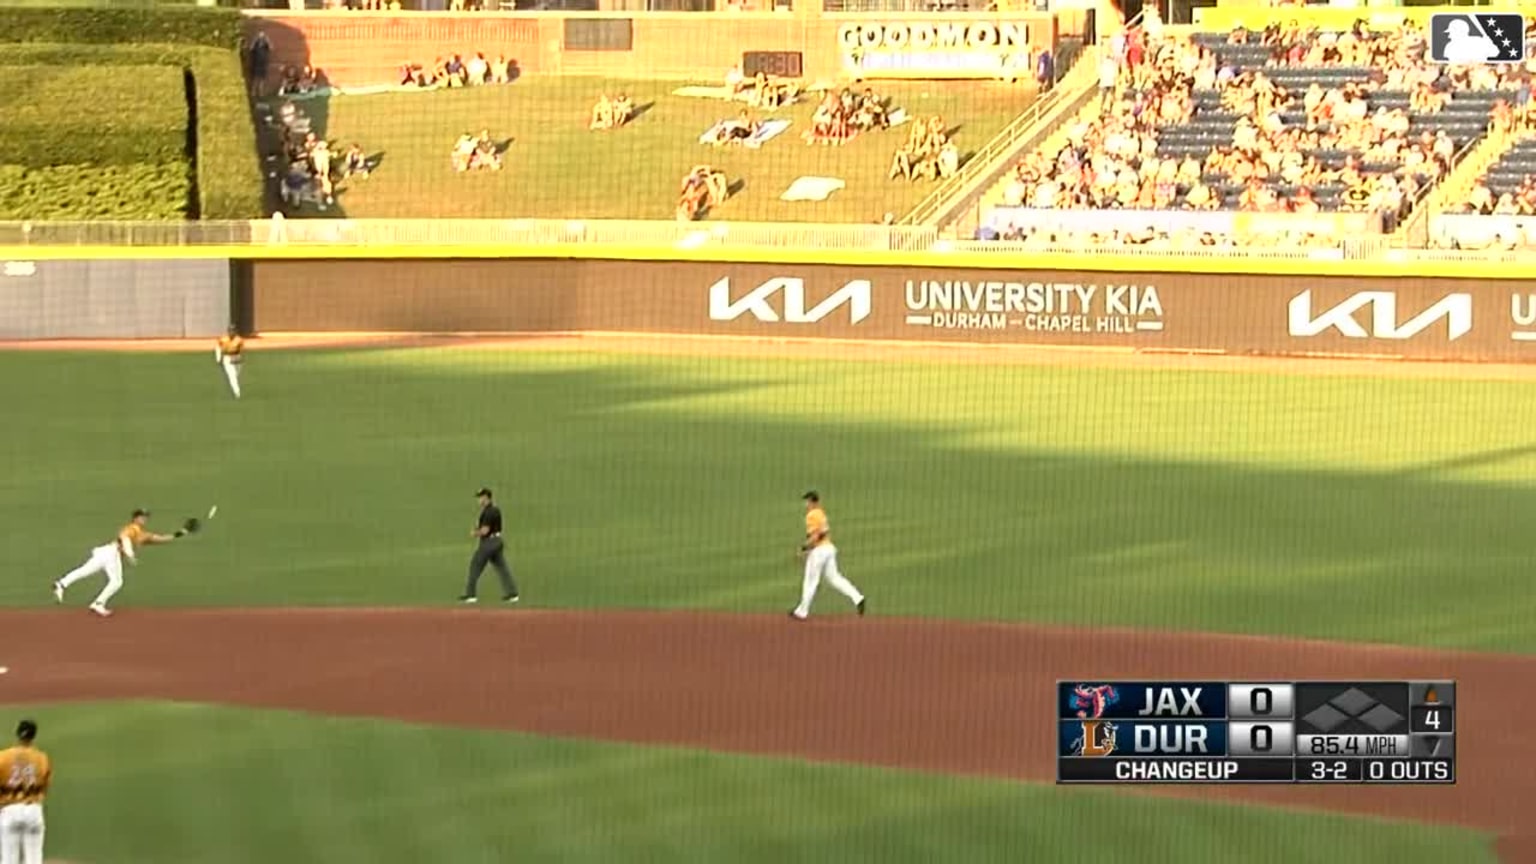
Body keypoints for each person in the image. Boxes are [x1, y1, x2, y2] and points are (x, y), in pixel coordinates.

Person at [54, 509, 191, 617]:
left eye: (145, 517)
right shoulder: (131, 528)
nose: (144, 519)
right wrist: (130, 555)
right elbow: (124, 538)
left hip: (109, 554)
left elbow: (160, 538)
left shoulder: (142, 534)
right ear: (135, 518)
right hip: (111, 554)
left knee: (95, 574)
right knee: (111, 580)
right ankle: (94, 601)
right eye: (142, 517)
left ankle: (64, 586)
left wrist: (181, 533)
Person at [789, 491, 865, 621]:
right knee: (834, 578)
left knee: (810, 582)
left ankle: (801, 612)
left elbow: (817, 535)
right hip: (829, 549)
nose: (806, 504)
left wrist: (804, 548)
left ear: (812, 502)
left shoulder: (811, 515)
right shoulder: (821, 514)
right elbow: (824, 533)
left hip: (819, 552)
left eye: (807, 501)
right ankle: (857, 597)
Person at [0, 719, 50, 864]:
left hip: (9, 810)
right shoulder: (42, 758)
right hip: (34, 810)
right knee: (34, 859)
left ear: (17, 734)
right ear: (33, 736)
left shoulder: (3, 757)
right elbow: (45, 786)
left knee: (9, 859)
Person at [460, 488, 519, 604]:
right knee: (502, 568)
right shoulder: (494, 510)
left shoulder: (488, 512)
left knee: (475, 566)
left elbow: (485, 531)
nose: (479, 500)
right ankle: (513, 594)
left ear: (486, 497)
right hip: (497, 542)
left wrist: (475, 533)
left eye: (480, 497)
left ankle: (471, 595)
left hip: (488, 543)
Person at [215, 325, 244, 399]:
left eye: (233, 330)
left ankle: (235, 388)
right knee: (232, 376)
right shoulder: (223, 340)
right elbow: (218, 347)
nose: (231, 332)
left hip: (236, 358)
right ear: (228, 331)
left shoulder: (239, 340)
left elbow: (240, 351)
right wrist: (218, 358)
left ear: (235, 331)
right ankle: (237, 392)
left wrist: (238, 358)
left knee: (235, 376)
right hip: (227, 358)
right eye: (230, 330)